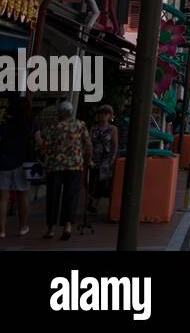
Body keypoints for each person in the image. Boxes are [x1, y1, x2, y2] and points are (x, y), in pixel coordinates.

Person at [36, 101, 91, 241]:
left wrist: (38, 141)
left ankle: (51, 229)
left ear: (59, 113)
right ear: (71, 112)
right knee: (70, 195)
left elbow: (43, 147)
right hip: (75, 166)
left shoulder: (53, 127)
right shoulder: (80, 125)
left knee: (53, 196)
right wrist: (86, 160)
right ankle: (67, 226)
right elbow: (88, 144)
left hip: (55, 166)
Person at [0, 97, 37, 239]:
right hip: (23, 164)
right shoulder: (30, 123)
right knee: (23, 197)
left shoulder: (4, 123)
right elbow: (39, 141)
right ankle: (22, 227)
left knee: (3, 198)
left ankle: (2, 230)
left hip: (4, 163)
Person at [88, 105, 119, 215]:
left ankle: (95, 203)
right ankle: (90, 200)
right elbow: (89, 143)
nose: (103, 116)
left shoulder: (113, 129)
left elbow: (115, 144)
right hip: (94, 156)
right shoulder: (94, 128)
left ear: (110, 116)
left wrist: (113, 158)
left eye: (106, 114)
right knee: (91, 180)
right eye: (101, 113)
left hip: (106, 158)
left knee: (102, 181)